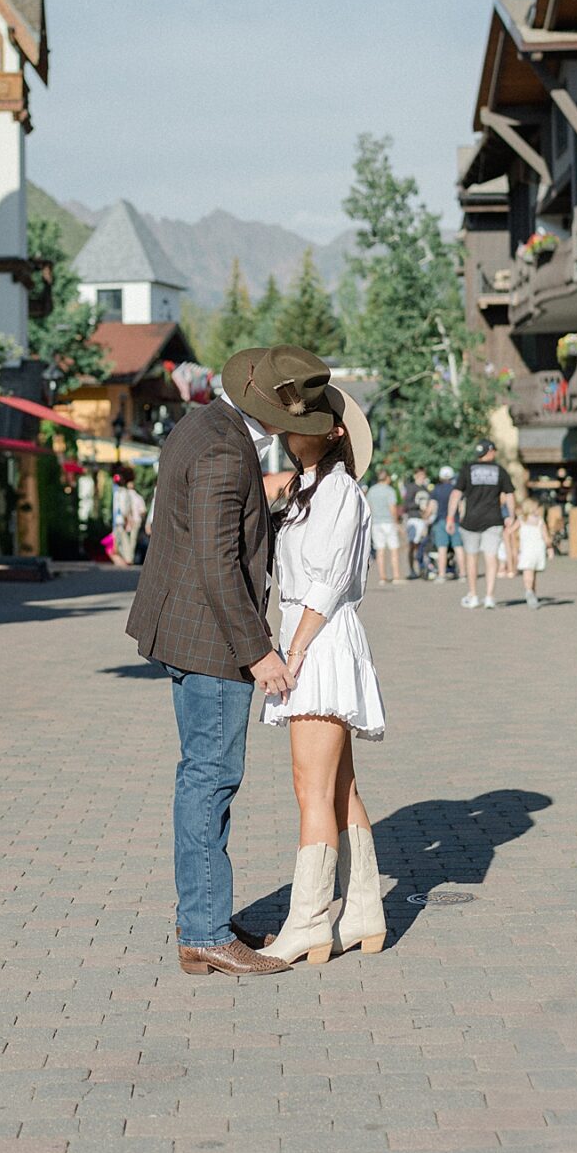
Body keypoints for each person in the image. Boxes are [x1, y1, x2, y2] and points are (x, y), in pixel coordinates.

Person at [126, 344, 331, 979]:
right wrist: (259, 651)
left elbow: (203, 525)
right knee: (211, 778)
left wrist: (257, 499)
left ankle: (203, 919)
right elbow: (218, 565)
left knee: (202, 776)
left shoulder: (203, 425)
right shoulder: (223, 450)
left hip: (183, 628)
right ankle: (207, 932)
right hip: (211, 640)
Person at [259, 386, 386, 965]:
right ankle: (363, 910)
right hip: (312, 634)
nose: (290, 430)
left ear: (336, 432)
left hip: (319, 636)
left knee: (310, 786)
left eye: (305, 421)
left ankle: (309, 920)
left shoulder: (338, 490)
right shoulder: (305, 490)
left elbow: (329, 581)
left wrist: (294, 652)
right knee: (336, 788)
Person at [447, 440, 515, 611]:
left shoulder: (467, 469)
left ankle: (474, 595)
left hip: (471, 520)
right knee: (491, 558)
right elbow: (509, 494)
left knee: (472, 557)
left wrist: (450, 517)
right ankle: (490, 597)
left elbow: (456, 494)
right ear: (490, 451)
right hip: (493, 520)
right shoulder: (499, 470)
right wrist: (511, 516)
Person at [365, 467, 401, 583]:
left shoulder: (372, 491)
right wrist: (396, 523)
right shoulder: (390, 491)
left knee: (380, 550)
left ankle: (382, 577)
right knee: (393, 549)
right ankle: (396, 576)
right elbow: (393, 509)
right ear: (388, 478)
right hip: (389, 522)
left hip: (376, 523)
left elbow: (368, 508)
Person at [516, 497, 553, 608]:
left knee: (530, 573)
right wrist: (550, 548)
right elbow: (546, 538)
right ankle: (530, 592)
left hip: (529, 551)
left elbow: (510, 531)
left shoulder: (523, 520)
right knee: (531, 573)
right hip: (535, 551)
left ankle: (530, 591)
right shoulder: (539, 521)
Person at [430, 465, 464, 582]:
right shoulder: (456, 489)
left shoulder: (436, 489)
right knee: (458, 547)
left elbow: (432, 506)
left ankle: (442, 574)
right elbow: (461, 506)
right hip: (455, 521)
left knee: (442, 548)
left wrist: (426, 516)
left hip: (441, 521)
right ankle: (463, 574)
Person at [402, 467, 435, 579]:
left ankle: (422, 568)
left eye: (423, 475)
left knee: (423, 546)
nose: (422, 477)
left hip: (424, 520)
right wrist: (419, 506)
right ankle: (412, 570)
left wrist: (428, 511)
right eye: (420, 475)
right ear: (415, 475)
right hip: (414, 518)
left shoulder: (426, 488)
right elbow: (406, 505)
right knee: (412, 545)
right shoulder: (411, 488)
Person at [111, 467, 147, 566]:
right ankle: (127, 557)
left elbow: (124, 507)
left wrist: (126, 518)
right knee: (124, 540)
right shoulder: (120, 492)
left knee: (126, 540)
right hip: (122, 519)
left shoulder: (123, 493)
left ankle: (128, 558)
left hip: (123, 519)